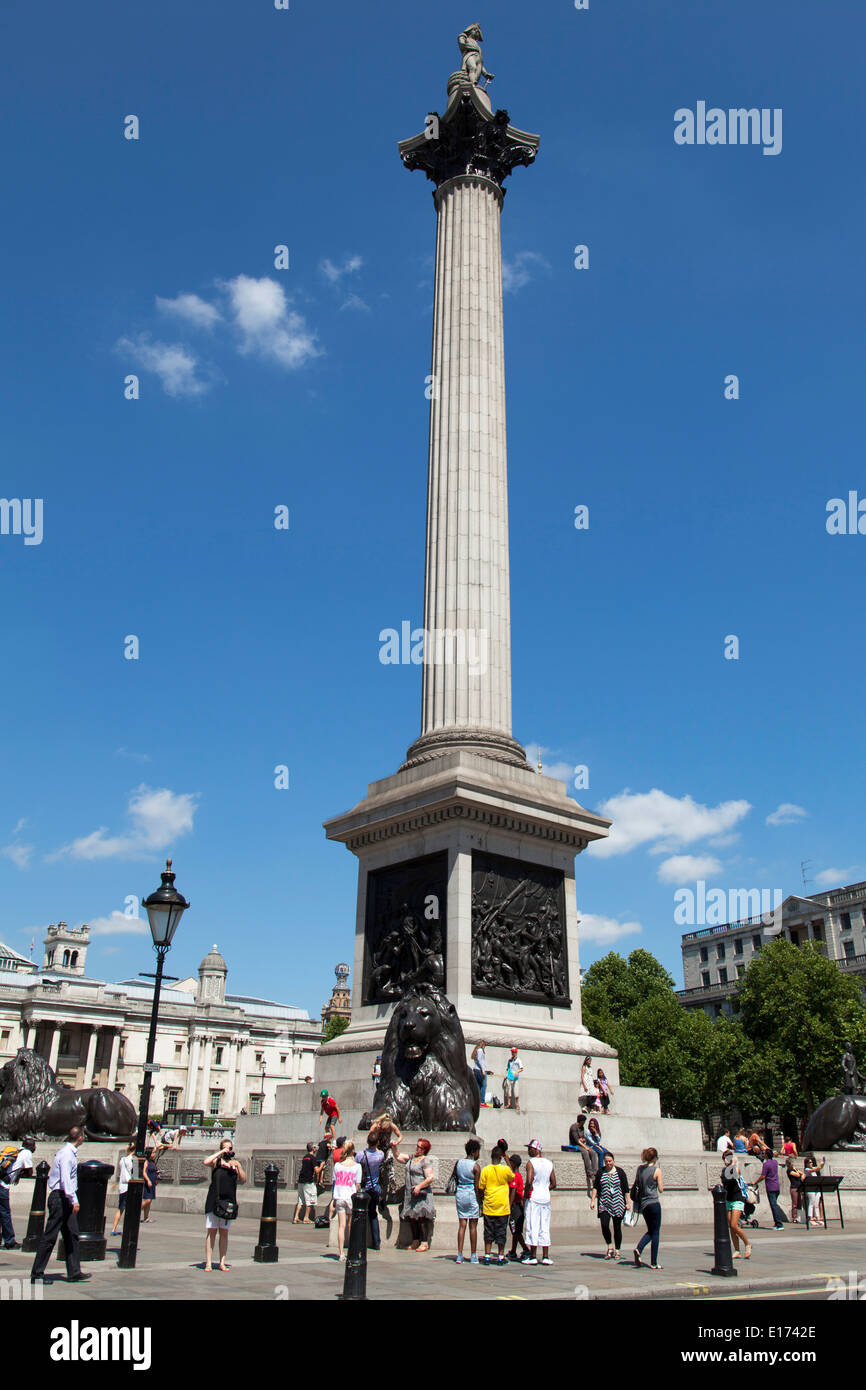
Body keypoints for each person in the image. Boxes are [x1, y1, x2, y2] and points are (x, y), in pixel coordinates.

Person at [30, 1127, 90, 1285]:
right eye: (83, 1136)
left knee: (72, 1234)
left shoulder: (68, 1153)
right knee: (50, 1236)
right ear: (80, 1137)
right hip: (60, 1198)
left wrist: (71, 1198)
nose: (84, 1138)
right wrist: (73, 1199)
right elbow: (65, 1179)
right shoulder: (67, 1155)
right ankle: (37, 1273)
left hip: (64, 1198)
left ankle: (74, 1272)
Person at [203, 1138, 246, 1273]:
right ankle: (209, 1263)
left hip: (228, 1202)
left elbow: (243, 1179)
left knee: (224, 1233)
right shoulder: (216, 1162)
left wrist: (238, 1167)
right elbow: (206, 1162)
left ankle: (222, 1262)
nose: (229, 1150)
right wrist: (220, 1152)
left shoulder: (235, 1164)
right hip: (214, 1201)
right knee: (212, 1232)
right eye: (226, 1148)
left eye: (230, 1148)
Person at [396, 1137, 436, 1251]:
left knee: (421, 1219)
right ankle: (415, 1240)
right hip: (411, 1194)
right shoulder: (412, 1158)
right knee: (413, 1218)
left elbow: (430, 1177)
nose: (416, 1148)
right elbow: (398, 1156)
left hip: (421, 1194)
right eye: (417, 1146)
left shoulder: (425, 1160)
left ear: (424, 1150)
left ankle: (424, 1242)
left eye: (419, 1147)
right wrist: (394, 1146)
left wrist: (419, 1186)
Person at [591, 1151, 631, 1260]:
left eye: (610, 1161)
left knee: (617, 1227)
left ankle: (617, 1250)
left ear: (613, 1161)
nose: (608, 1163)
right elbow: (596, 1187)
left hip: (618, 1203)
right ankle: (609, 1247)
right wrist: (593, 1201)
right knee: (604, 1225)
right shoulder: (600, 1172)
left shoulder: (620, 1172)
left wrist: (628, 1203)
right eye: (606, 1162)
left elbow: (626, 1189)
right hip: (604, 1203)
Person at [478, 1145, 512, 1265]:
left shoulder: (486, 1170)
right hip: (502, 1205)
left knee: (488, 1232)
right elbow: (512, 1175)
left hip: (489, 1205)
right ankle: (500, 1256)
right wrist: (507, 1159)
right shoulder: (505, 1170)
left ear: (491, 1156)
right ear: (501, 1157)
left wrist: (482, 1200)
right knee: (501, 1232)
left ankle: (487, 1255)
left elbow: (481, 1187)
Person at [0, 1135, 35, 1248]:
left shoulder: (17, 1151)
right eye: (34, 1145)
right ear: (30, 1146)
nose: (35, 1148)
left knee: (1, 1213)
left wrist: (19, 1173)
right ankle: (10, 1241)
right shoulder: (27, 1153)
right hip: (3, 1186)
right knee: (5, 1214)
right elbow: (29, 1171)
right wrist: (22, 1173)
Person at [523, 1140, 555, 1265]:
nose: (528, 1150)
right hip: (545, 1197)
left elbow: (529, 1181)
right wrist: (544, 1188)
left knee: (532, 1225)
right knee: (544, 1225)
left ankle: (533, 1256)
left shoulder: (531, 1163)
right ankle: (546, 1256)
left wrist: (525, 1196)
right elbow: (554, 1183)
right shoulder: (549, 1163)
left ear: (537, 1150)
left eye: (530, 1148)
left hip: (534, 1197)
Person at [632, 1146, 664, 1270]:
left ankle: (639, 1249)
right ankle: (654, 1262)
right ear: (655, 1158)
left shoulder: (640, 1169)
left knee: (651, 1230)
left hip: (644, 1205)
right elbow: (660, 1189)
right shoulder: (657, 1171)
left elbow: (637, 1185)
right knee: (655, 1232)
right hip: (654, 1203)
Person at [332, 1140, 362, 1260]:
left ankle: (340, 1253)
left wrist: (334, 1198)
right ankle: (351, 1250)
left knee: (341, 1226)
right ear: (353, 1151)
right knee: (350, 1225)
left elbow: (335, 1182)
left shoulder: (337, 1166)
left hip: (339, 1197)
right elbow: (358, 1184)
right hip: (351, 1197)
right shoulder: (357, 1166)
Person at [453, 1137, 482, 1264]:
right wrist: (480, 1201)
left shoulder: (458, 1163)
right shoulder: (475, 1166)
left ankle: (459, 1254)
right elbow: (477, 1186)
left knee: (462, 1224)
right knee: (473, 1226)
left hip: (460, 1193)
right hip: (471, 1194)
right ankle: (473, 1254)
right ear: (474, 1151)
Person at [721, 1150, 751, 1259]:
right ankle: (737, 1250)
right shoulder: (724, 1170)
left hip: (737, 1199)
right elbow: (725, 1179)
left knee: (734, 1225)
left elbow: (731, 1177)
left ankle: (747, 1244)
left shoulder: (735, 1169)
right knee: (731, 1227)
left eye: (727, 1158)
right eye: (724, 1158)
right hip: (728, 1199)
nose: (725, 1161)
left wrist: (733, 1164)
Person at [359, 1132, 386, 1251]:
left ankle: (360, 1240)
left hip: (364, 1188)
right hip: (375, 1188)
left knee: (361, 1214)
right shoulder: (380, 1155)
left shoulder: (361, 1155)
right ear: (378, 1143)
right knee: (373, 1214)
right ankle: (376, 1242)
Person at [754, 1149, 785, 1230]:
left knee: (773, 1205)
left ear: (766, 1155)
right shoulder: (775, 1162)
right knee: (775, 1204)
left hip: (770, 1186)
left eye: (764, 1154)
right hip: (776, 1186)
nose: (763, 1155)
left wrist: (755, 1182)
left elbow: (763, 1176)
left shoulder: (766, 1164)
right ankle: (776, 1223)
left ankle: (779, 1224)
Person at [568, 1115, 598, 1197]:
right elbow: (576, 1140)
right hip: (575, 1145)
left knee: (593, 1152)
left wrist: (584, 1140)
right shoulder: (573, 1127)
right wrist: (585, 1146)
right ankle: (589, 1172)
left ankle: (595, 1172)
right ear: (580, 1121)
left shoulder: (582, 1128)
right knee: (585, 1152)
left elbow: (583, 1138)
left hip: (582, 1144)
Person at [111, 1141, 136, 1236]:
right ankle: (128, 1228)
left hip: (122, 1186)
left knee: (120, 1208)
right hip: (129, 1186)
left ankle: (113, 1228)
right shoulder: (134, 1160)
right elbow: (136, 1175)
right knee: (130, 1209)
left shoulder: (122, 1159)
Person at [508, 1153, 529, 1261]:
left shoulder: (515, 1176)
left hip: (515, 1206)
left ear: (514, 1164)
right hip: (518, 1206)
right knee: (516, 1231)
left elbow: (513, 1191)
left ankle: (526, 1249)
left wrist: (509, 1206)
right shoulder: (517, 1174)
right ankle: (513, 1251)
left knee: (516, 1231)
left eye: (510, 1162)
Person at [294, 1142, 318, 1225]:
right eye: (315, 1147)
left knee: (300, 1200)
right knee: (310, 1200)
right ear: (313, 1149)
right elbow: (317, 1171)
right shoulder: (312, 1158)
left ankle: (296, 1217)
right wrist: (322, 1165)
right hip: (308, 1181)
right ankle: (306, 1218)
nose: (316, 1148)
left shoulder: (305, 1157)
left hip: (301, 1181)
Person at [803, 1154, 826, 1227]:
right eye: (809, 1162)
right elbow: (815, 1169)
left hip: (816, 1188)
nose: (811, 1163)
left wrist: (822, 1163)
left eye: (811, 1162)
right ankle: (810, 1218)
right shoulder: (806, 1169)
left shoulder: (813, 1168)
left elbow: (818, 1168)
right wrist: (820, 1165)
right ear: (806, 1164)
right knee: (811, 1203)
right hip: (810, 1188)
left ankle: (817, 1218)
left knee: (816, 1203)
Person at [503, 1047, 524, 1111]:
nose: (512, 1053)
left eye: (513, 1052)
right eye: (512, 1052)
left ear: (516, 1052)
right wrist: (505, 1074)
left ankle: (517, 1104)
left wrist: (517, 1072)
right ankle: (509, 1104)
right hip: (509, 1077)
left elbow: (521, 1068)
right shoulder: (509, 1060)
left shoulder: (518, 1060)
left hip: (515, 1078)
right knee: (508, 1091)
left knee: (516, 1091)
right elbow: (508, 1068)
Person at [786, 1152, 804, 1223]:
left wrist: (800, 1174)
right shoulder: (789, 1171)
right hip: (793, 1188)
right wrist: (796, 1171)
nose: (793, 1164)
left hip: (798, 1187)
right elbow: (797, 1175)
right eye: (792, 1163)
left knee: (799, 1203)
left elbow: (802, 1174)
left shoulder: (794, 1169)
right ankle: (794, 1217)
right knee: (795, 1203)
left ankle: (799, 1216)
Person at [471, 1041, 490, 1105]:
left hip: (476, 1069)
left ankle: (477, 1101)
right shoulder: (480, 1050)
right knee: (483, 1085)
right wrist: (483, 1069)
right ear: (483, 1045)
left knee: (478, 1086)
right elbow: (480, 1060)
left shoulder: (476, 1050)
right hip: (480, 1070)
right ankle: (481, 1101)